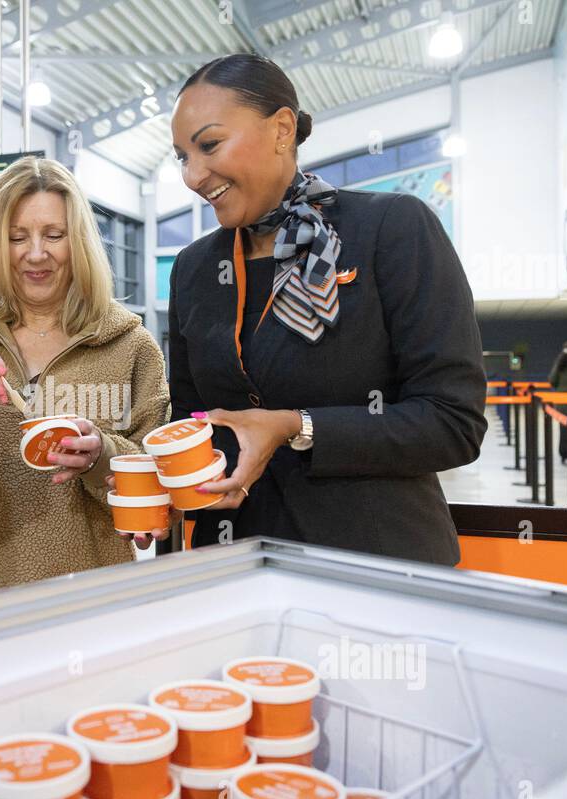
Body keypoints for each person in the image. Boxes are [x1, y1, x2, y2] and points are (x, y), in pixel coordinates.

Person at [149, 54, 485, 564]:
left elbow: (452, 423)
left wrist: (297, 426)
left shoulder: (389, 229)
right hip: (235, 559)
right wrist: (165, 483)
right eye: (181, 157)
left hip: (378, 560)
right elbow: (195, 417)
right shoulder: (195, 267)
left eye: (209, 145)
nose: (193, 176)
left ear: (283, 128)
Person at [0, 156, 169, 604]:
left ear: (80, 241)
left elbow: (155, 486)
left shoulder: (131, 346)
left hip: (83, 603)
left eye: (54, 235)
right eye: (16, 237)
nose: (35, 253)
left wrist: (101, 454)